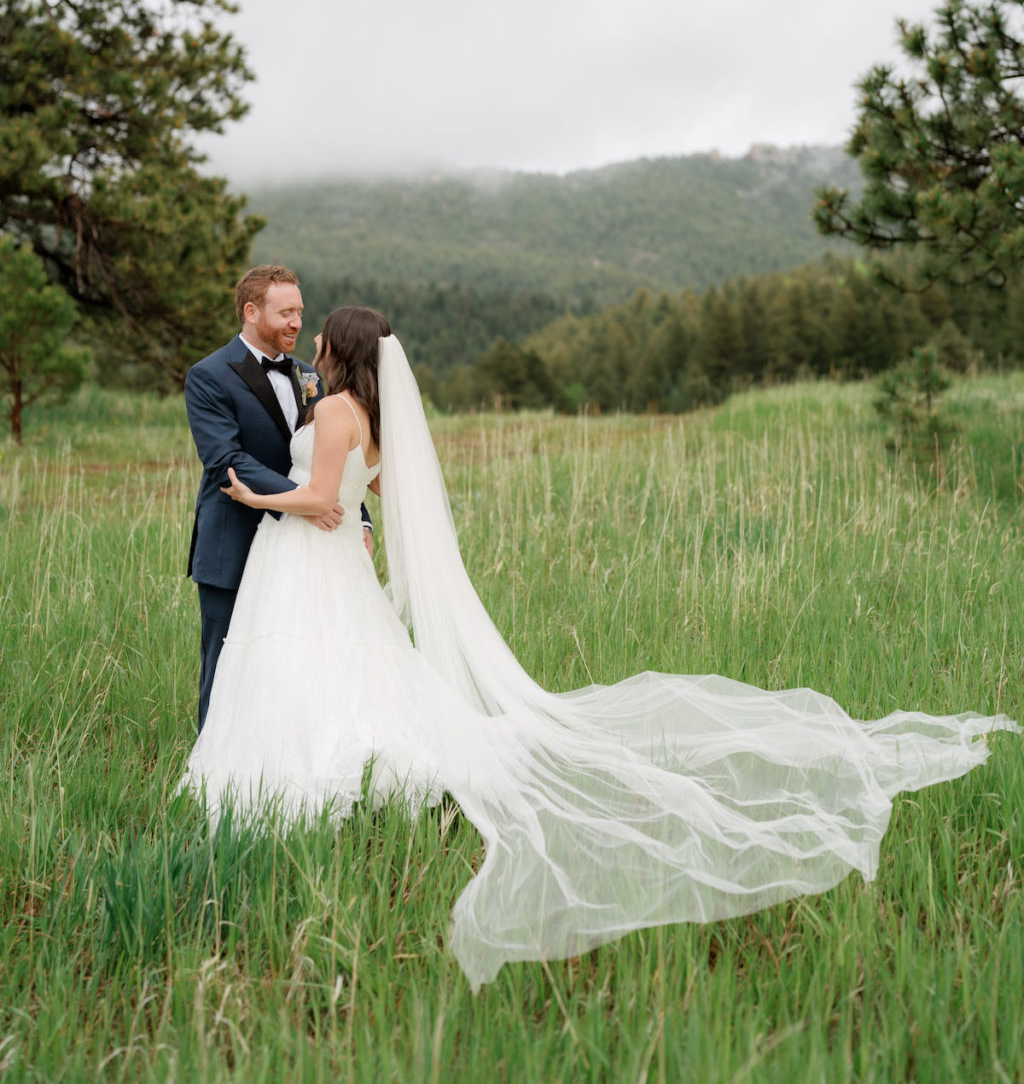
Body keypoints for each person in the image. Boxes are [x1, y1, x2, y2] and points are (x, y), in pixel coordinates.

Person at [182, 306, 1018, 991]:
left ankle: (309, 774)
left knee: (307, 662)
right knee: (345, 666)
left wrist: (259, 492)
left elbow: (323, 497)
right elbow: (364, 494)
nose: (312, 339)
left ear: (341, 347)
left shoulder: (331, 408)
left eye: (319, 330)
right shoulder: (378, 417)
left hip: (305, 556)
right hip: (335, 565)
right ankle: (363, 763)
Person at [183, 266, 372, 730]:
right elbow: (225, 459)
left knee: (296, 668)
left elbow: (334, 456)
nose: (296, 323)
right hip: (235, 542)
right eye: (285, 312)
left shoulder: (311, 375)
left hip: (306, 555)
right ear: (251, 312)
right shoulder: (208, 376)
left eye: (300, 312)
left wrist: (360, 518)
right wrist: (311, 500)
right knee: (227, 666)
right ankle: (214, 776)